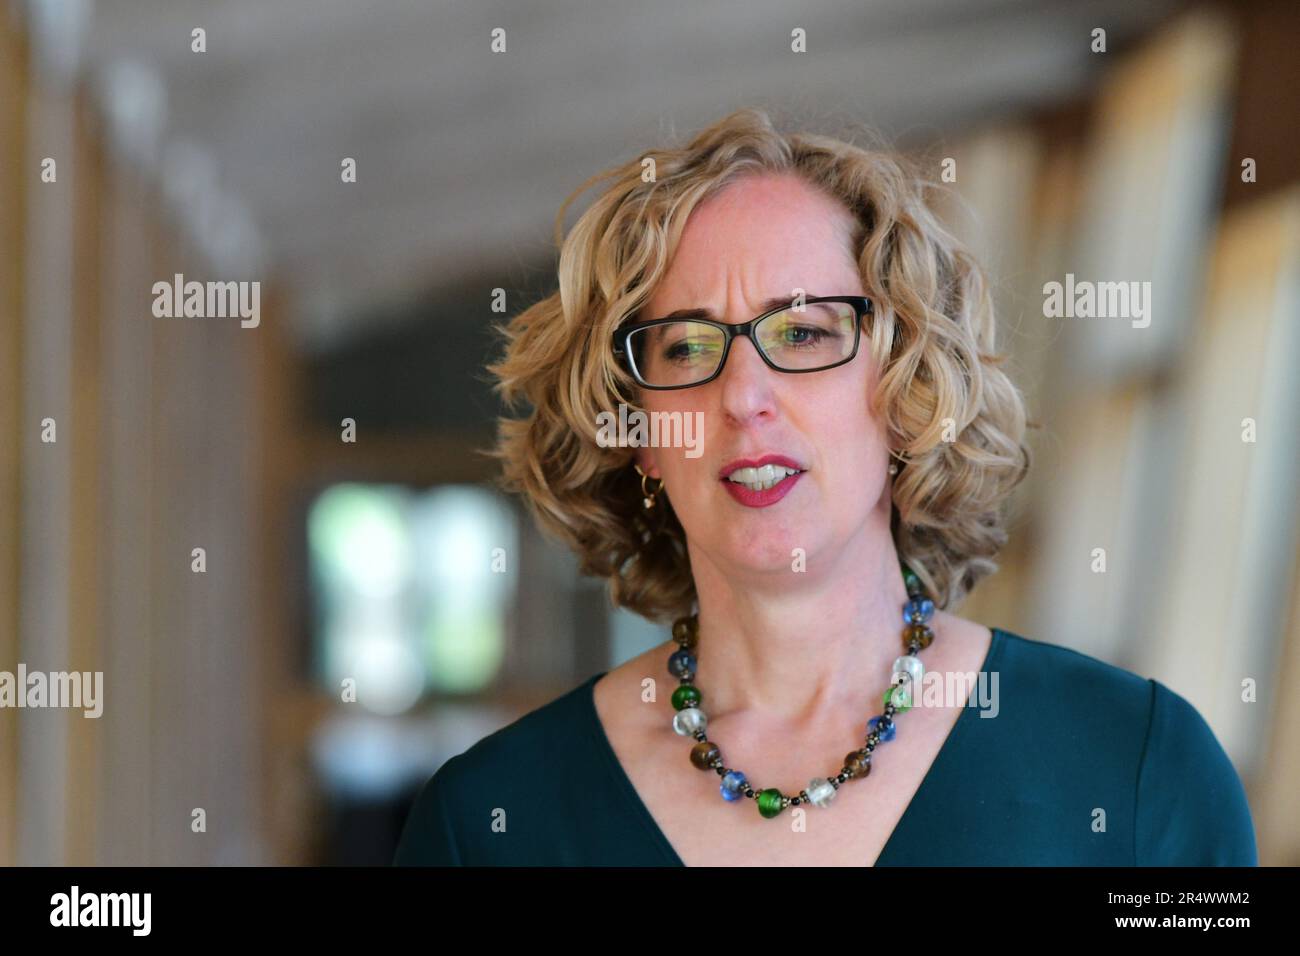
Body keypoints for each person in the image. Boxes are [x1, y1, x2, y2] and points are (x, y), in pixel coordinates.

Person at [393, 107, 1257, 866]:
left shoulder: (1137, 768)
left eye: (803, 334)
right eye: (687, 349)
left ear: (907, 391)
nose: (742, 397)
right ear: (640, 436)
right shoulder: (491, 826)